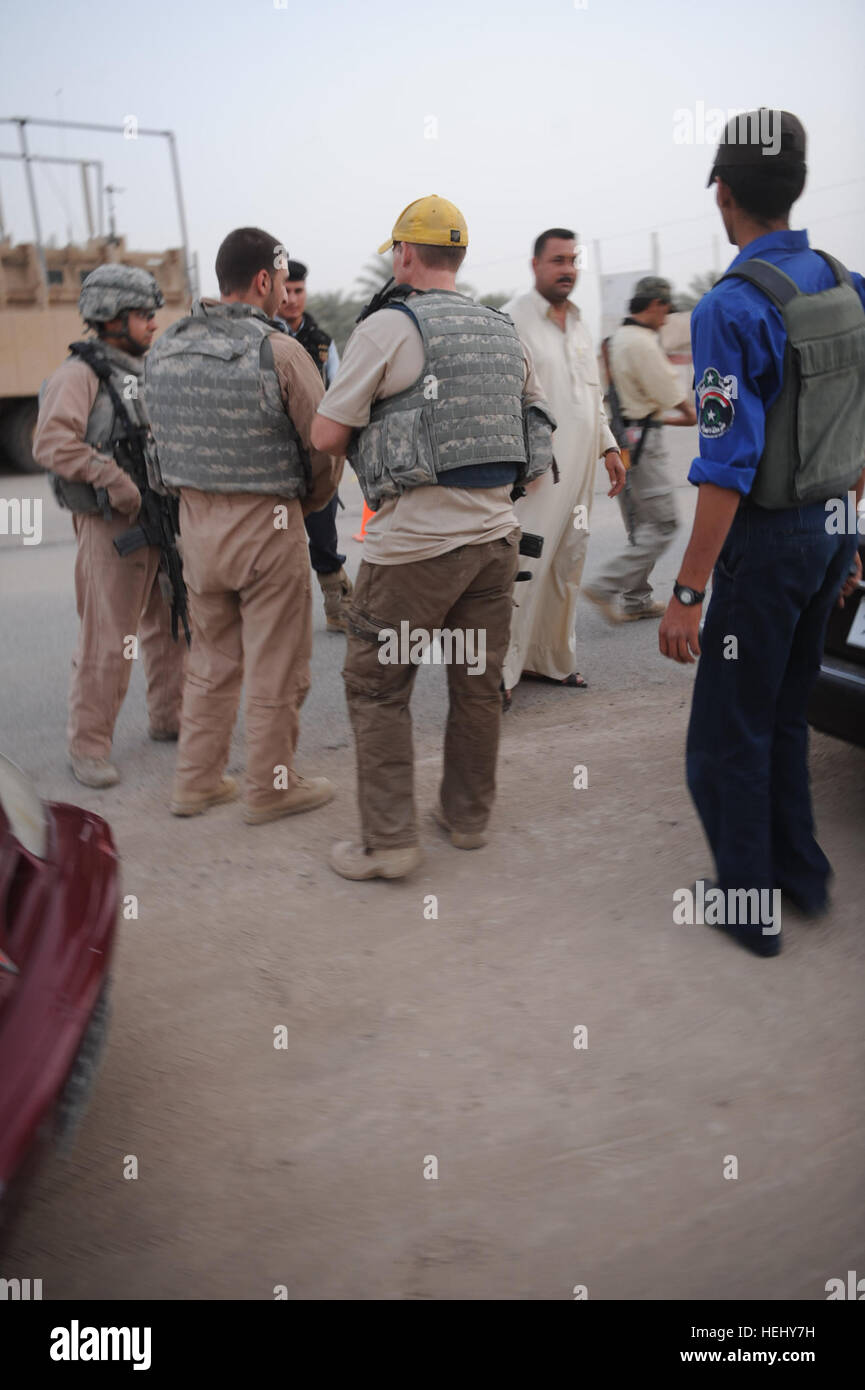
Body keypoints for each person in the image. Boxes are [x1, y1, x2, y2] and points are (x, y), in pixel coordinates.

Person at [658, 108, 865, 957]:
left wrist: (684, 593)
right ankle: (800, 875)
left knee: (722, 736)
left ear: (722, 191)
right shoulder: (846, 282)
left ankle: (749, 910)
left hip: (769, 547)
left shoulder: (729, 310)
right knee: (782, 714)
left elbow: (725, 467)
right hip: (832, 536)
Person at [310, 195, 555, 880]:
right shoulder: (501, 328)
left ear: (402, 254)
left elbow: (327, 434)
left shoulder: (389, 327)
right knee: (476, 686)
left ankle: (388, 844)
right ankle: (466, 818)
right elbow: (534, 432)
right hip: (495, 543)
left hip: (414, 548)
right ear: (459, 257)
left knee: (377, 687)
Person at [144, 227, 340, 824]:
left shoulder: (166, 349)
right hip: (266, 526)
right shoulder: (279, 352)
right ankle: (271, 787)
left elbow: (155, 441)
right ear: (263, 281)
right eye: (281, 282)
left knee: (210, 661)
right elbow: (323, 449)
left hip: (194, 528)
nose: (284, 292)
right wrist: (305, 508)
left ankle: (197, 783)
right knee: (277, 663)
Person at [33, 264, 185, 789]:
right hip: (112, 525)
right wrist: (112, 479)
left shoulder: (145, 369)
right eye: (143, 315)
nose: (152, 324)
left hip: (161, 517)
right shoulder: (79, 375)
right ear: (111, 317)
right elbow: (51, 442)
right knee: (110, 639)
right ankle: (89, 748)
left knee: (171, 624)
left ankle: (171, 717)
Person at [500, 230, 626, 704]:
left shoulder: (580, 323)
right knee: (524, 565)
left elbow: (589, 395)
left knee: (567, 563)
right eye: (557, 260)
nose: (567, 268)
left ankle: (551, 661)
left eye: (572, 260)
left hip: (580, 472)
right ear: (535, 265)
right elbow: (505, 398)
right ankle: (501, 672)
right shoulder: (514, 319)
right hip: (538, 472)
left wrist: (609, 447)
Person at [584, 277, 696, 622]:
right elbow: (686, 410)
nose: (667, 319)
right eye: (666, 311)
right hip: (645, 445)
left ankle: (636, 598)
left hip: (620, 443)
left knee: (639, 525)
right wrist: (671, 419)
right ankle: (605, 585)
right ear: (656, 305)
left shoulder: (611, 342)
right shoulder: (644, 345)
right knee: (662, 525)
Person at [276, 259, 353, 633]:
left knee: (324, 533)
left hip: (315, 452)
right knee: (276, 539)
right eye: (285, 290)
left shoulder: (322, 342)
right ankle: (278, 614)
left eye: (298, 291)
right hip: (273, 456)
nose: (291, 299)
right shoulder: (259, 338)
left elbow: (337, 390)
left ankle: (336, 602)